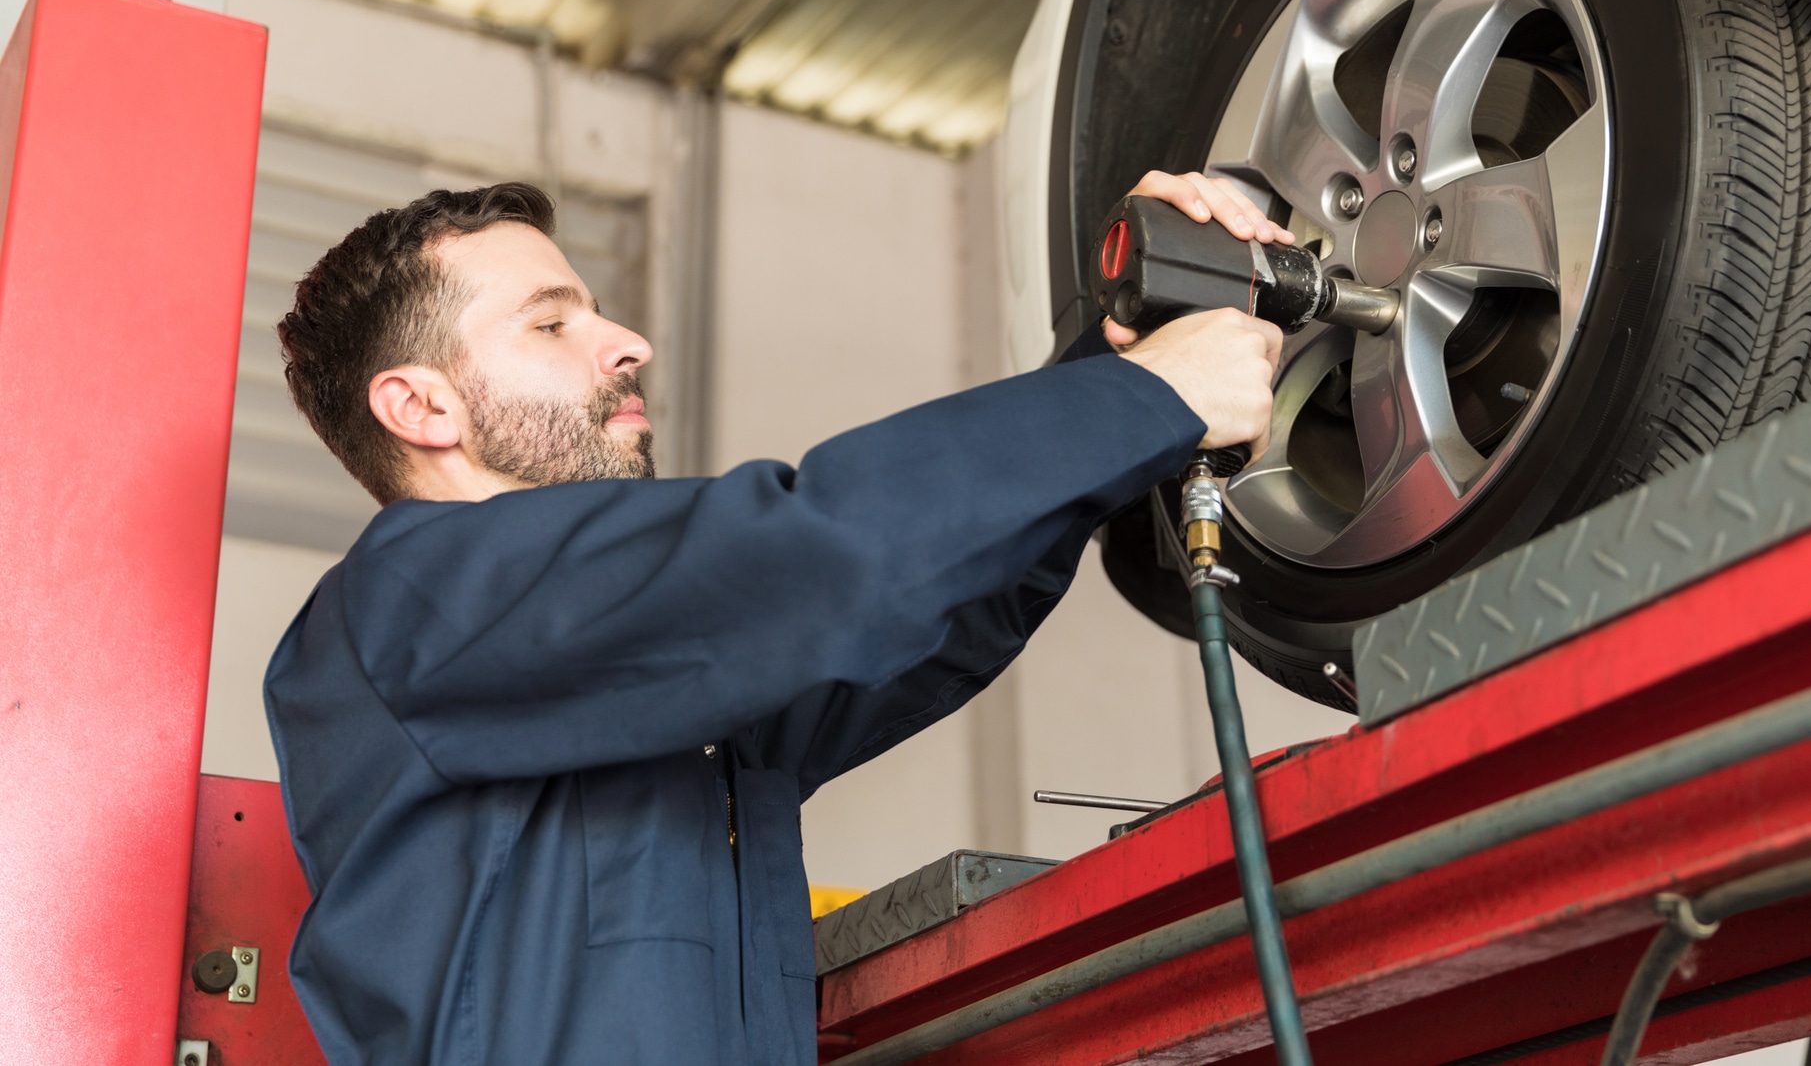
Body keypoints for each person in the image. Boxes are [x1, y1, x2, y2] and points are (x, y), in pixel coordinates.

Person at [264, 168, 1290, 1064]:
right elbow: (816, 553)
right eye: (551, 322)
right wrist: (1137, 400)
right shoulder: (411, 597)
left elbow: (927, 610)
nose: (628, 342)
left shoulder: (620, 684)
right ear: (421, 408)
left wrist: (1116, 357)